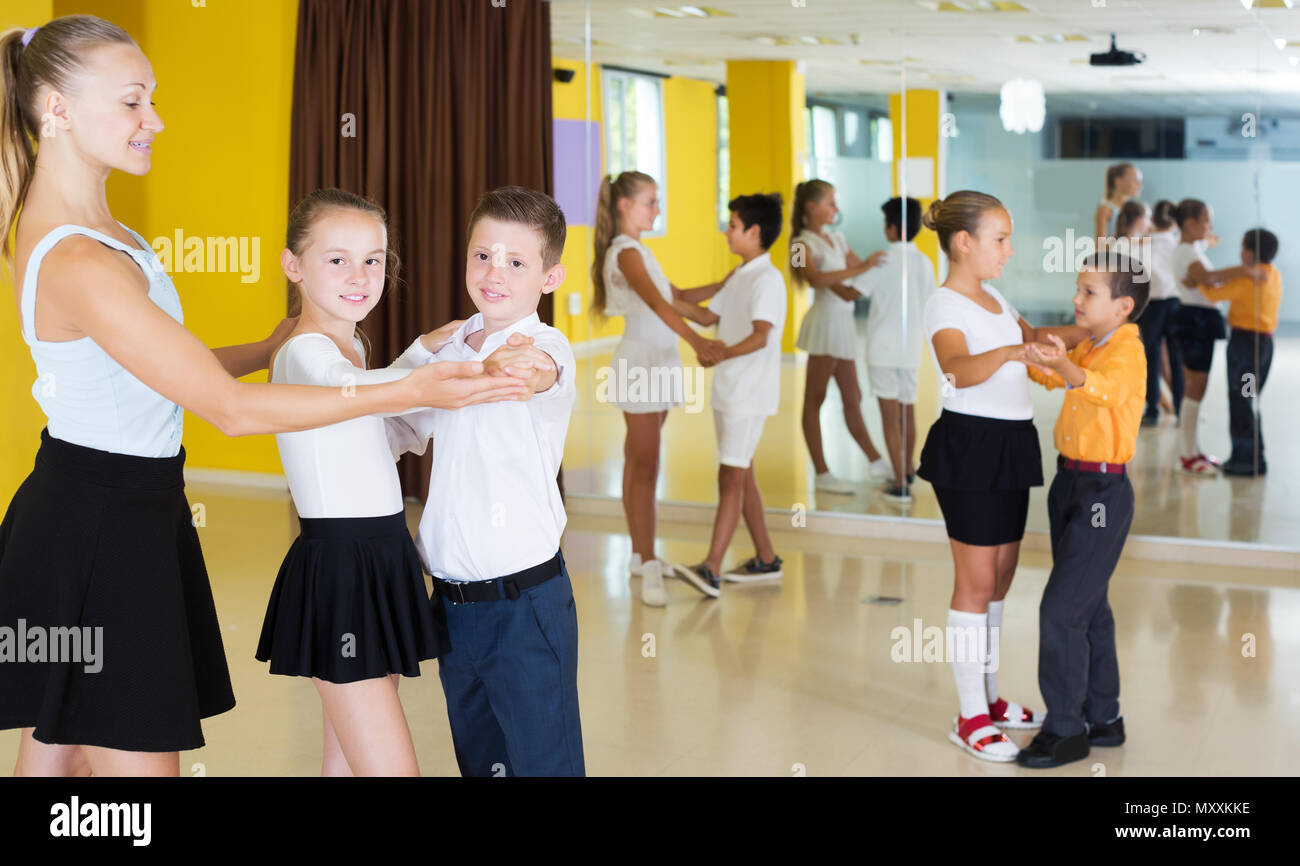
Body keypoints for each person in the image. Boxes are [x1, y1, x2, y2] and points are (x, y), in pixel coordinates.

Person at [0, 16, 527, 778]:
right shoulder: (81, 257)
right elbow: (226, 409)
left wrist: (266, 347)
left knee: (61, 761)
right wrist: (403, 389)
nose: (156, 120)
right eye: (133, 102)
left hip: (113, 509)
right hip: (98, 531)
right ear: (55, 108)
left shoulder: (99, 232)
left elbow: (151, 371)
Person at [257, 189, 504, 776]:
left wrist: (425, 364)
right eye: (337, 259)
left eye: (374, 259)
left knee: (345, 759)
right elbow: (356, 390)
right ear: (294, 265)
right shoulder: (305, 352)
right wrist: (425, 360)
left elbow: (379, 436)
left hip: (381, 554)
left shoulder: (356, 345)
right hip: (342, 564)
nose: (360, 276)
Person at [384, 186, 584, 777]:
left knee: (543, 765)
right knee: (481, 763)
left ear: (550, 277)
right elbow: (391, 424)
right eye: (482, 255)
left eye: (517, 262)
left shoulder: (546, 346)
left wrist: (517, 368)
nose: (494, 272)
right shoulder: (444, 344)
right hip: (451, 605)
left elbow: (542, 372)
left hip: (524, 603)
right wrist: (421, 353)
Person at [916, 190, 1088, 763]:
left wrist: (1096, 322)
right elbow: (957, 370)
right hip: (970, 447)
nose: (1009, 251)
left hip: (1012, 442)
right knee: (976, 581)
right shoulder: (945, 304)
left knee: (1002, 577)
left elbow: (1039, 339)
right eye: (1000, 239)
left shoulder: (993, 295)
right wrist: (1015, 353)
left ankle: (988, 700)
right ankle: (968, 718)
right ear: (963, 243)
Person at [1018, 253, 1149, 768]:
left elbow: (1107, 390)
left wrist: (1066, 365)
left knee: (1061, 609)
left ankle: (1067, 730)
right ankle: (1104, 718)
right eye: (1078, 289)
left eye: (1088, 292)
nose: (1076, 299)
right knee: (1089, 606)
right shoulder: (1094, 345)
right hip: (1070, 483)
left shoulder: (1127, 352)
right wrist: (1025, 354)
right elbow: (1058, 380)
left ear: (1122, 307)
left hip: (1102, 494)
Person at [592, 171, 726, 605]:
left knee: (639, 460)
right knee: (646, 464)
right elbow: (658, 303)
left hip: (660, 362)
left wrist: (726, 287)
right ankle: (648, 559)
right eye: (651, 201)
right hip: (641, 364)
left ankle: (639, 554)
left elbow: (676, 294)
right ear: (626, 206)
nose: (658, 209)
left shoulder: (641, 251)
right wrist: (697, 339)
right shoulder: (626, 252)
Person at [675, 193, 788, 591]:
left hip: (748, 393)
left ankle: (711, 567)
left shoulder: (768, 280)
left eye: (734, 226)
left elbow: (761, 337)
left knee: (731, 476)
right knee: (743, 473)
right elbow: (707, 315)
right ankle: (767, 559)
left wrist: (720, 354)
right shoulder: (741, 275)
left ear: (755, 232)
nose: (727, 232)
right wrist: (662, 297)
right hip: (730, 390)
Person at [789, 179, 889, 494]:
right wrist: (858, 271)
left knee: (852, 398)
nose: (836, 209)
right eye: (831, 203)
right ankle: (821, 473)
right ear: (811, 207)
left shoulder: (838, 239)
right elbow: (815, 280)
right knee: (814, 400)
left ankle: (876, 462)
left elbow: (858, 272)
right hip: (823, 325)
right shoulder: (799, 246)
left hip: (843, 326)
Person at [852, 196, 937, 503]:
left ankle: (899, 483)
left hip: (883, 349)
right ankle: (909, 467)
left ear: (890, 228)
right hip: (910, 348)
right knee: (907, 411)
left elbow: (853, 291)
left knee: (889, 416)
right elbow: (931, 304)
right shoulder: (924, 262)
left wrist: (855, 267)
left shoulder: (883, 260)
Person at [1169, 199, 1257, 477]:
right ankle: (1187, 455)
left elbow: (1205, 278)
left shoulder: (1193, 247)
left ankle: (1192, 451)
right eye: (1206, 220)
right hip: (1194, 322)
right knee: (1195, 389)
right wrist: (1243, 270)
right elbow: (1207, 276)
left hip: (1200, 321)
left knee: (1196, 389)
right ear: (1190, 223)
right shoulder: (1184, 250)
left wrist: (1207, 273)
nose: (1210, 226)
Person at [1198, 228, 1282, 477]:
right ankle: (1253, 458)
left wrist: (1197, 278)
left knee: (1242, 401)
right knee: (1248, 401)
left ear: (1250, 253)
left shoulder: (1249, 280)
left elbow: (1214, 293)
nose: (1240, 252)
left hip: (1247, 349)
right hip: (1263, 347)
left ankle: (1247, 462)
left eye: (1243, 247)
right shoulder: (1272, 274)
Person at [1137, 200, 1182, 426]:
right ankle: (1181, 410)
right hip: (1174, 304)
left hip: (1151, 306)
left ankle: (1152, 409)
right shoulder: (1177, 244)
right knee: (1176, 357)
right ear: (1175, 223)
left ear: (1153, 220)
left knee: (1151, 358)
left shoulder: (1144, 244)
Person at [1093, 162, 1142, 244]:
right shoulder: (1105, 210)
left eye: (1139, 181)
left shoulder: (1134, 208)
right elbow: (1100, 247)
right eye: (1135, 180)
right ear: (1118, 182)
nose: (1139, 185)